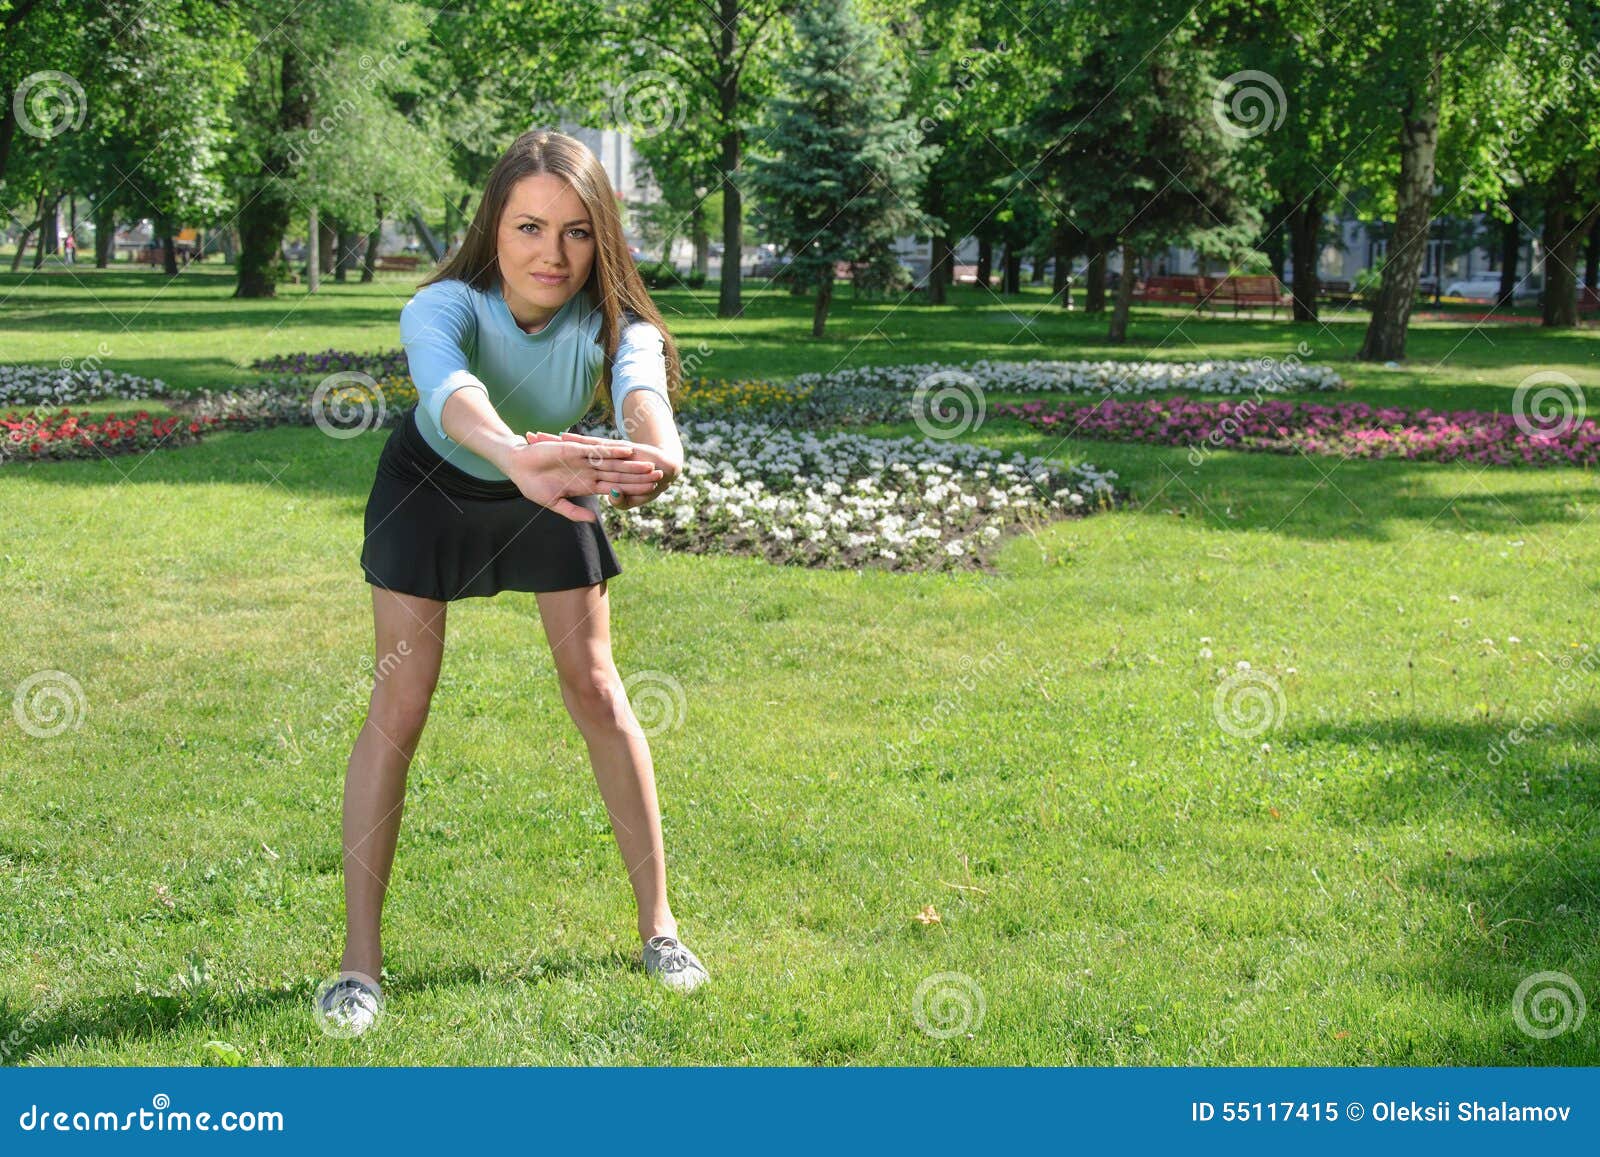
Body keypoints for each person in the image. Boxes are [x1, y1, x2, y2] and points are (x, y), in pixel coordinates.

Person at [322, 129, 706, 1036]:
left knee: (600, 691)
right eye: (530, 226)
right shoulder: (442, 304)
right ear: (494, 226)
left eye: (577, 232)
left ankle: (661, 929)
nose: (552, 253)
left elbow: (644, 393)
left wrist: (659, 453)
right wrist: (513, 455)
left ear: (601, 237)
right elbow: (449, 386)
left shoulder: (617, 323)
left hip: (554, 481)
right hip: (436, 482)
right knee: (400, 702)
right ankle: (358, 965)